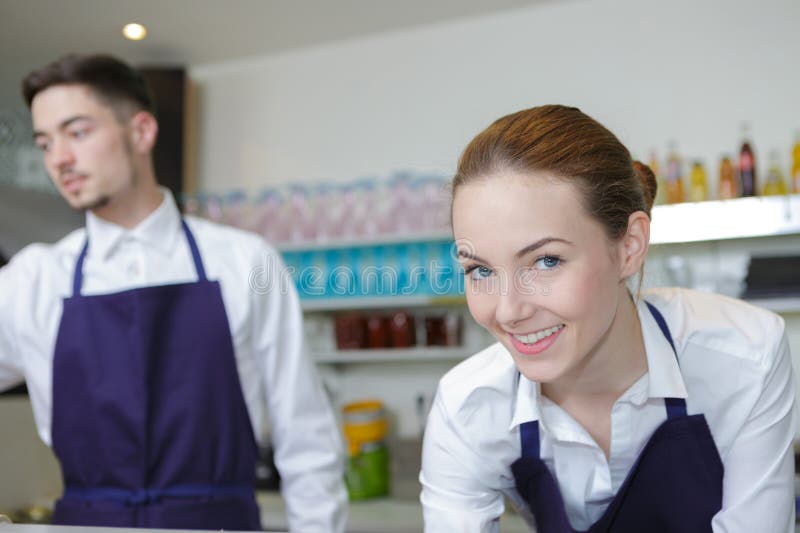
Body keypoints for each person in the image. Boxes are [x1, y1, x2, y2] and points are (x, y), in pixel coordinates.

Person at [0, 54, 347, 531]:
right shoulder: (32, 279)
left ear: (141, 132)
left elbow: (305, 436)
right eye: (45, 142)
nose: (58, 159)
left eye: (77, 132)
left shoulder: (247, 262)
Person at [420, 105, 796, 532]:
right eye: (480, 270)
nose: (508, 311)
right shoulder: (469, 407)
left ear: (629, 247)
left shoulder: (744, 357)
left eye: (546, 261)